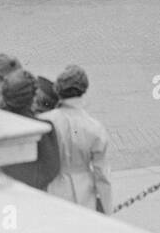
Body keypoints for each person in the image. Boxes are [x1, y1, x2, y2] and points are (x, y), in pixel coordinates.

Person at [42, 65, 113, 214]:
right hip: (84, 193)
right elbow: (102, 174)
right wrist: (107, 208)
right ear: (84, 90)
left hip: (53, 190)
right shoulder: (94, 127)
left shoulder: (45, 122)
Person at [0, 70, 61, 191]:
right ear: (34, 97)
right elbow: (51, 169)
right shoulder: (43, 128)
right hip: (33, 194)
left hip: (1, 193)